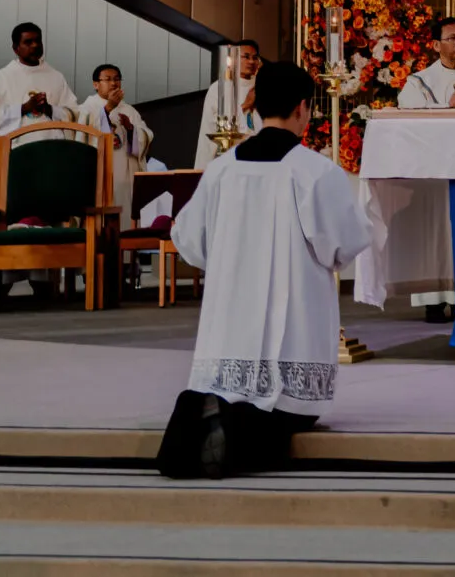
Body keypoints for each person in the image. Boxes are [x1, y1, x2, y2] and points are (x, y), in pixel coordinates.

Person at [157, 62, 373, 480]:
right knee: (284, 414)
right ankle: (226, 434)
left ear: (256, 108)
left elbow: (189, 239)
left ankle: (204, 414)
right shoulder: (314, 170)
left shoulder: (222, 168)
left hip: (229, 328)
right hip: (293, 335)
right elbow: (343, 243)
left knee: (231, 393)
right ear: (303, 109)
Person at [0, 23, 77, 207]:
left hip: (50, 155)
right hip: (14, 158)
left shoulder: (56, 77)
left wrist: (50, 110)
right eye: (28, 42)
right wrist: (23, 108)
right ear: (16, 48)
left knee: (48, 210)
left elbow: (74, 114)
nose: (35, 45)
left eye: (38, 40)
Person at [76, 64, 154, 215]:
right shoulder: (86, 109)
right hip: (99, 178)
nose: (114, 83)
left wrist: (131, 129)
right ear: (96, 84)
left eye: (117, 79)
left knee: (125, 217)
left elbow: (146, 137)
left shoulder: (129, 110)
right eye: (108, 79)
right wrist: (108, 109)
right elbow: (83, 137)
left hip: (125, 178)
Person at [197, 41, 263, 170]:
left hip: (257, 159)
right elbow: (213, 127)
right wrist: (245, 106)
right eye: (247, 57)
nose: (251, 62)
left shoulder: (262, 87)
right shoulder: (219, 88)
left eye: (255, 58)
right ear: (235, 58)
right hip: (229, 158)